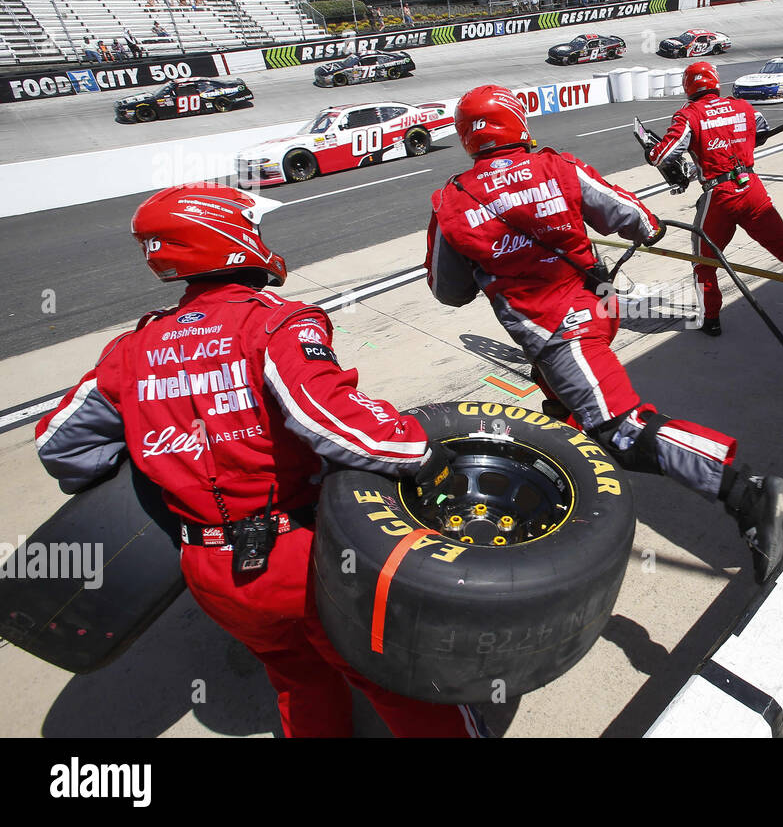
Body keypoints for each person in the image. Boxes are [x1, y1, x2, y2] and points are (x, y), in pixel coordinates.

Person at [35, 184, 481, 737]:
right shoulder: (274, 322)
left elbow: (60, 447)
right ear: (230, 236)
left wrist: (172, 459)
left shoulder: (133, 348)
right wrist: (428, 451)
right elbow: (341, 426)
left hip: (208, 572)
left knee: (299, 681)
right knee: (398, 677)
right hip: (303, 557)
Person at [424, 86, 783, 584]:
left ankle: (746, 491)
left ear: (467, 137)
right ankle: (570, 487)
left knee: (622, 430)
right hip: (597, 309)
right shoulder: (558, 166)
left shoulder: (451, 202)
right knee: (560, 408)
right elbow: (638, 220)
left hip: (560, 334)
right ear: (517, 122)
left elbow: (448, 292)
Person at [647, 61, 783, 336]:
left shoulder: (688, 115)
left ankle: (711, 319)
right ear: (715, 82)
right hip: (751, 187)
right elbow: (760, 132)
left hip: (720, 197)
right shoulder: (743, 106)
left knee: (705, 262)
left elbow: (662, 155)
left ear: (687, 87)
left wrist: (650, 152)